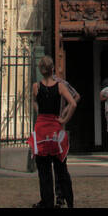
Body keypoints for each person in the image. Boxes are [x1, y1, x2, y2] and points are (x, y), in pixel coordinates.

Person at [30, 56, 76, 208]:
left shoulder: (36, 87)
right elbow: (73, 103)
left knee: (44, 171)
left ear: (40, 70)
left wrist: (40, 112)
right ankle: (69, 201)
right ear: (53, 69)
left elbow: (34, 102)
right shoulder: (60, 86)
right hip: (55, 129)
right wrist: (63, 120)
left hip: (42, 129)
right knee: (61, 169)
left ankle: (47, 202)